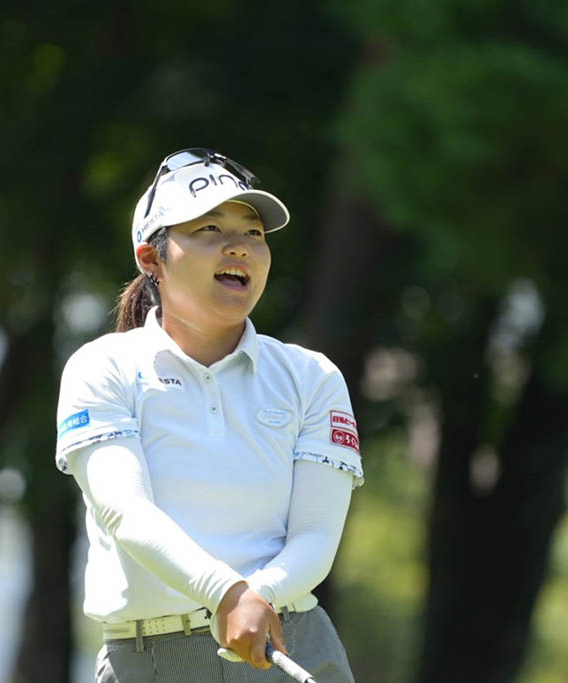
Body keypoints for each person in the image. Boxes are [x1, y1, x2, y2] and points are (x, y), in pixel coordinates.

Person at [55, 149, 363, 683]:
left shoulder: (312, 377)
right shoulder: (102, 367)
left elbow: (316, 535)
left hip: (293, 642)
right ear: (152, 259)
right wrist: (228, 595)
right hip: (151, 658)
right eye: (210, 228)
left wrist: (256, 599)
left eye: (254, 232)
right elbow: (126, 512)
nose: (238, 245)